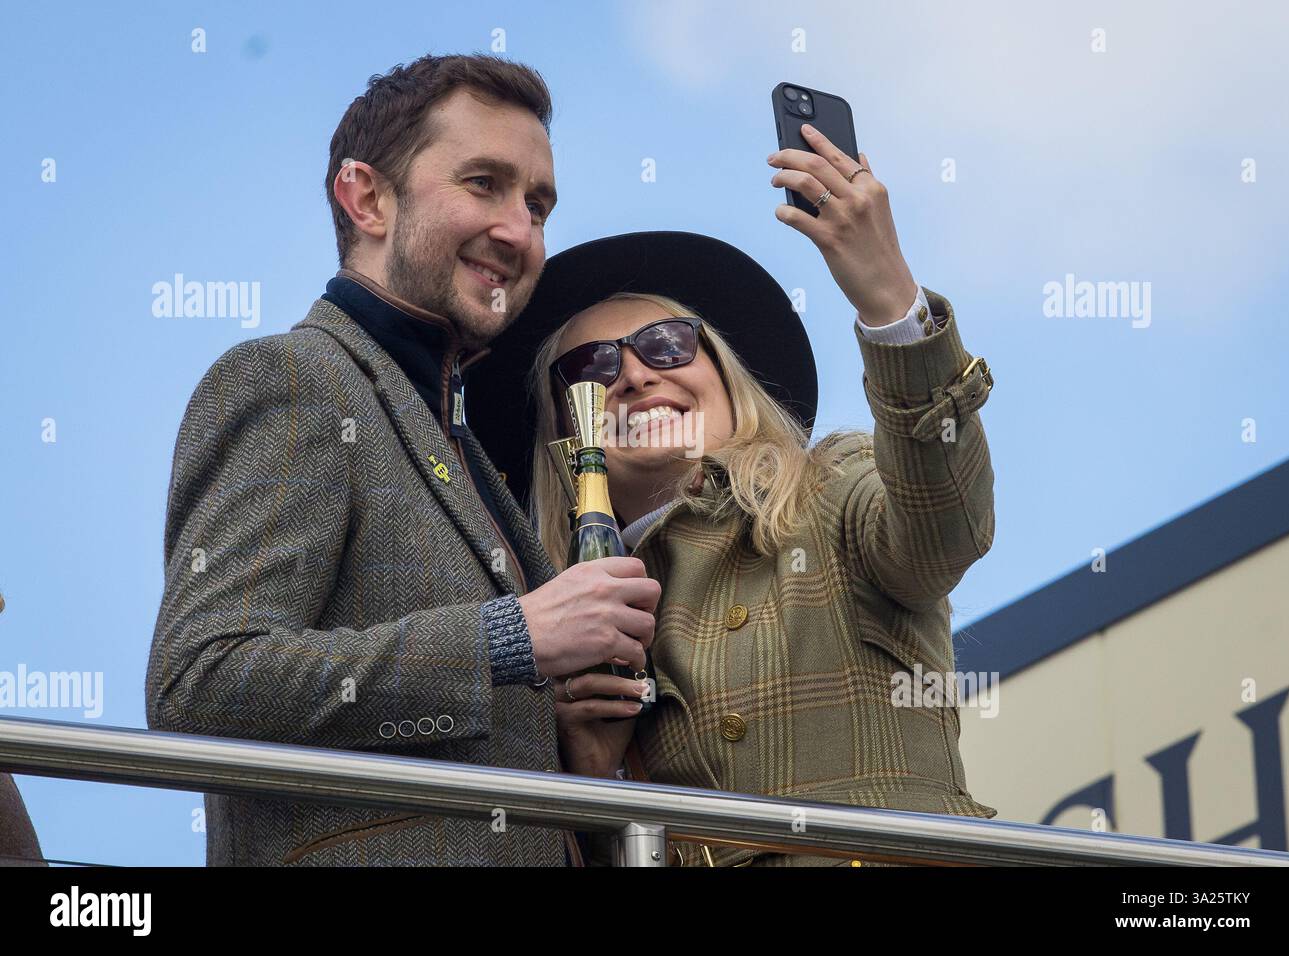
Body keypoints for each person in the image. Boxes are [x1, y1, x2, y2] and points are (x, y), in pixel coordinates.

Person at [145, 54, 660, 866]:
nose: (520, 231)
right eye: (483, 183)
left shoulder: (459, 444)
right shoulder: (292, 378)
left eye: (538, 203)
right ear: (367, 197)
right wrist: (507, 640)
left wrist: (573, 745)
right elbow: (201, 684)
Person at [468, 125, 998, 866]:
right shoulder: (557, 629)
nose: (635, 375)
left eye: (667, 344)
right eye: (590, 368)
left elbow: (949, 529)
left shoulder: (835, 487)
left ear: (722, 374)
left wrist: (891, 304)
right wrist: (594, 774)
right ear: (562, 436)